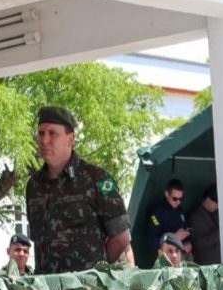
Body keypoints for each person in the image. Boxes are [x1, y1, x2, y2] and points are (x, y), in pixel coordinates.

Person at [25, 106, 134, 272]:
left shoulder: (97, 179)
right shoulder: (33, 186)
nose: (44, 140)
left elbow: (121, 236)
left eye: (52, 133)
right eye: (41, 133)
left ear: (70, 139)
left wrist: (96, 269)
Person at [147, 178, 190, 254]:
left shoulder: (179, 210)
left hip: (181, 254)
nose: (178, 202)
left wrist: (187, 243)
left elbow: (185, 228)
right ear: (167, 194)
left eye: (181, 199)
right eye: (175, 198)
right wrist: (173, 238)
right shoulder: (157, 211)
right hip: (166, 256)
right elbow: (152, 240)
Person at [187, 183, 220, 265]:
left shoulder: (215, 213)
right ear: (208, 199)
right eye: (216, 202)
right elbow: (198, 243)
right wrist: (219, 233)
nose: (218, 206)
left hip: (217, 261)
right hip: (205, 264)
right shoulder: (195, 216)